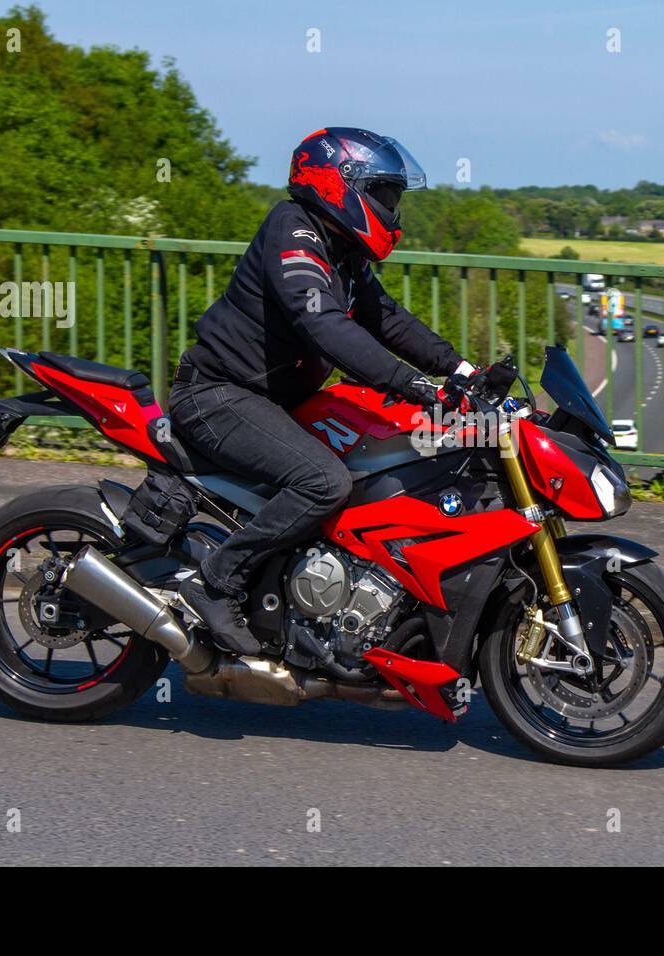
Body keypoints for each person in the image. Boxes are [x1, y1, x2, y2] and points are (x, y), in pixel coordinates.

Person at [167, 127, 475, 654]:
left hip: (275, 402)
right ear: (339, 185)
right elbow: (324, 324)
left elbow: (388, 321)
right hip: (219, 395)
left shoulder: (344, 253)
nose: (391, 210)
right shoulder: (294, 231)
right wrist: (411, 384)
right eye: (383, 195)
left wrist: (462, 368)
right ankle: (215, 582)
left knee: (376, 460)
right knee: (324, 481)